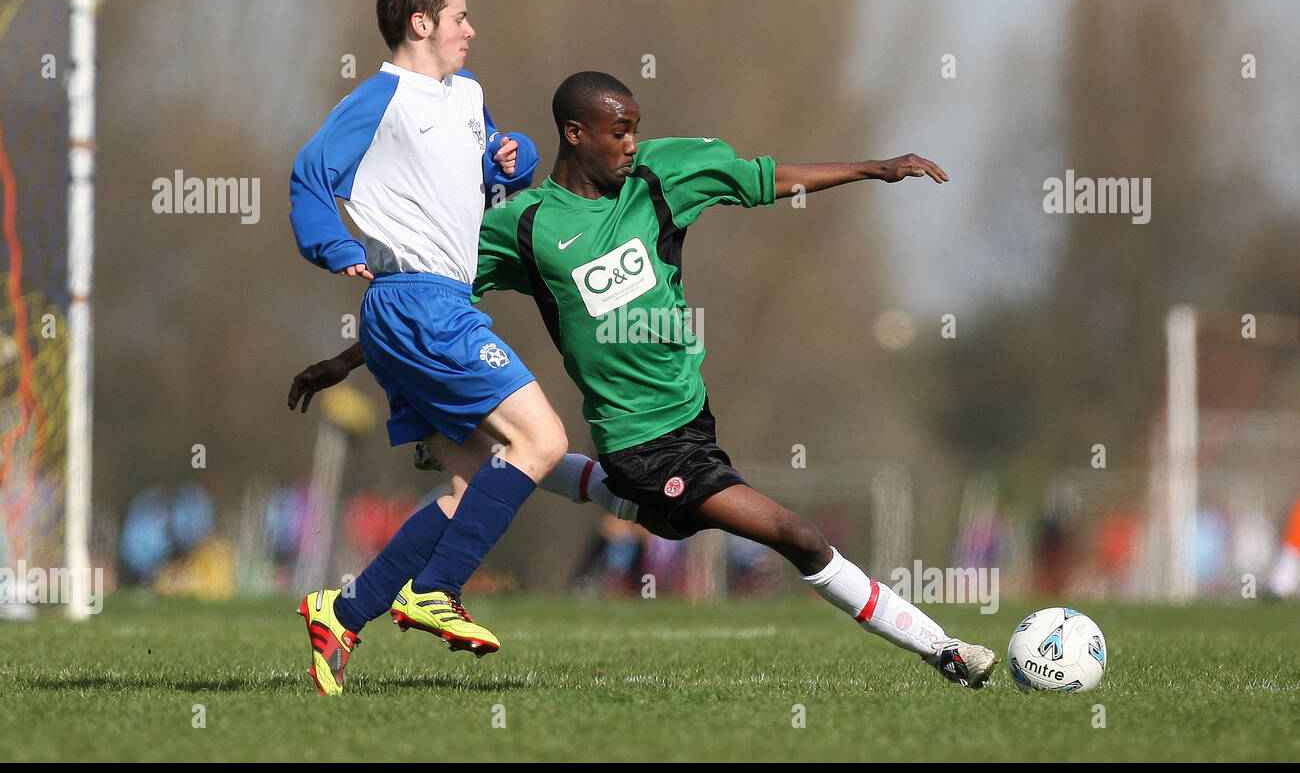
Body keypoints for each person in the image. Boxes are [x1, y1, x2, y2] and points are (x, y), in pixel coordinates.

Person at [294, 71, 998, 688]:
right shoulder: (523, 224)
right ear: (575, 134)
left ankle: (356, 602)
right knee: (799, 535)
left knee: (617, 503)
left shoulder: (662, 175)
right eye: (619, 131)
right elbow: (435, 300)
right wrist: (349, 359)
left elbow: (765, 178)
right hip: (641, 445)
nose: (632, 143)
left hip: (693, 421)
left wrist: (876, 169)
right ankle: (944, 650)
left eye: (635, 129)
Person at [287, 0, 569, 696]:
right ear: (421, 23)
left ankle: (343, 613)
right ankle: (437, 588)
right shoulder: (379, 101)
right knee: (543, 440)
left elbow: (493, 170)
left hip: (433, 307)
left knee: (472, 483)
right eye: (459, 18)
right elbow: (310, 174)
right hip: (417, 304)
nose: (471, 31)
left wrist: (514, 158)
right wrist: (335, 246)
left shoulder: (467, 95)